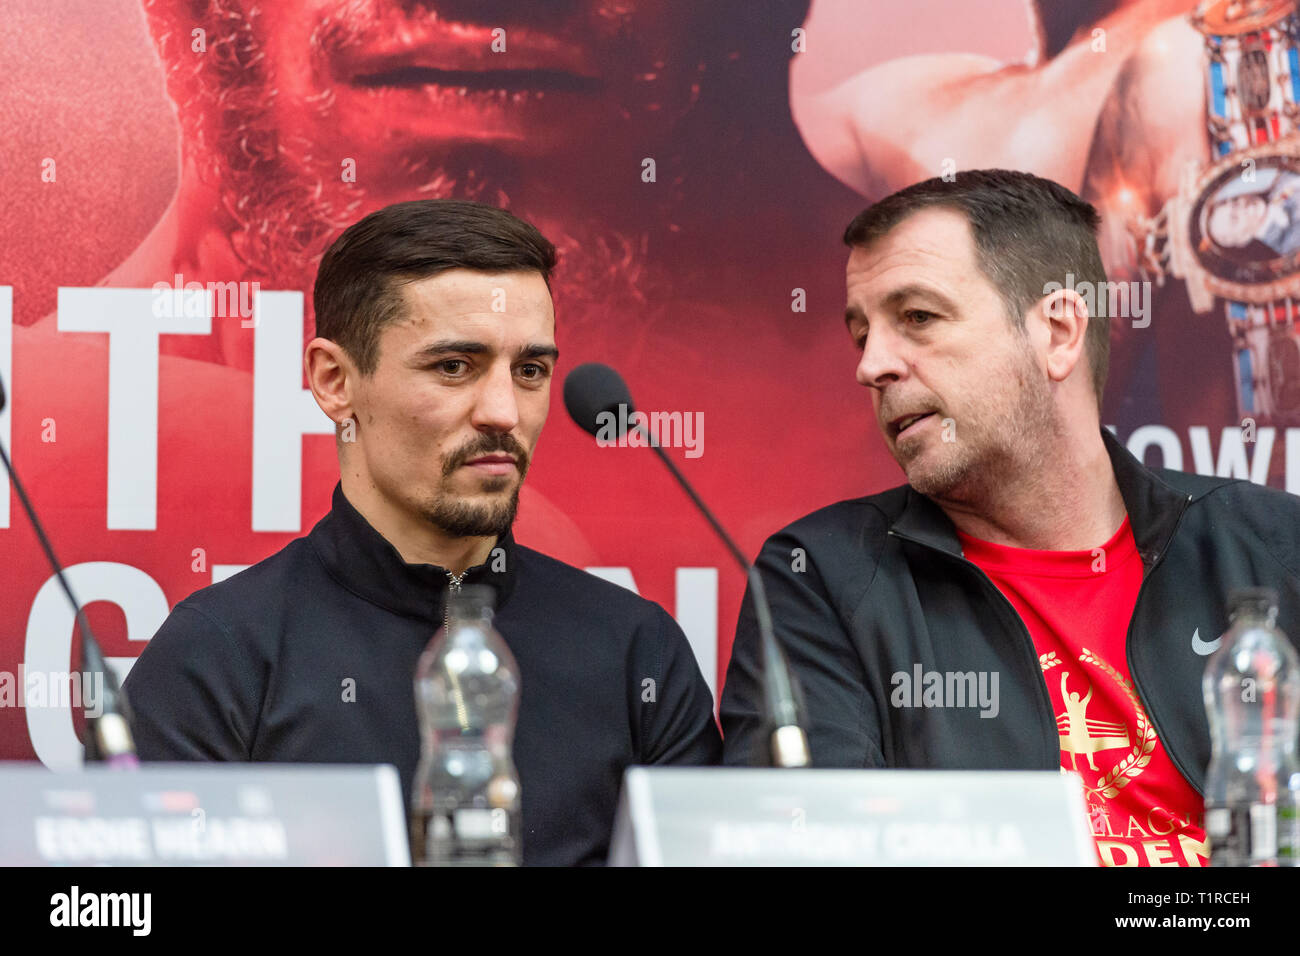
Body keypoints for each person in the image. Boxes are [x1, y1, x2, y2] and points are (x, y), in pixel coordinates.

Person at [719, 169, 1300, 867]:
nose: (871, 366)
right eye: (861, 334)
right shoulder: (821, 581)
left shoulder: (1273, 548)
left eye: (918, 318)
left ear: (1058, 330)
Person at [122, 199, 722, 866]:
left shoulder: (638, 653)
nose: (503, 412)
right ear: (334, 380)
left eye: (530, 371)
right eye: (453, 367)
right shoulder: (219, 656)